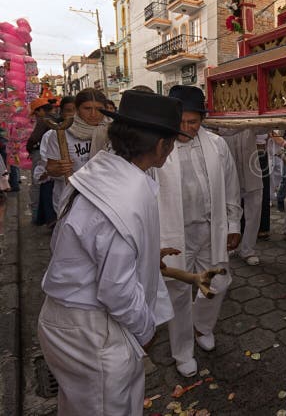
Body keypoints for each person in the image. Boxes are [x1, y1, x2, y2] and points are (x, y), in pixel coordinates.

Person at [37, 90, 185, 415]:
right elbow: (116, 289)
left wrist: (146, 256)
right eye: (171, 144)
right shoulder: (127, 193)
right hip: (92, 331)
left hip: (68, 321)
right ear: (162, 146)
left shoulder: (103, 168)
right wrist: (145, 330)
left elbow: (84, 241)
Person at [157, 85, 243, 378]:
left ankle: (201, 325)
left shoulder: (217, 145)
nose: (186, 128)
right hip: (174, 235)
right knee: (177, 292)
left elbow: (231, 187)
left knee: (219, 283)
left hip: (209, 229)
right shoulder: (159, 146)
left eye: (192, 122)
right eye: (180, 122)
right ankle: (182, 351)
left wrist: (233, 223)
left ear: (202, 120)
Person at [41, 88, 108, 210]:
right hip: (71, 198)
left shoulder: (112, 132)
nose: (94, 114)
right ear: (77, 109)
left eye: (99, 109)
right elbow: (50, 168)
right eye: (87, 108)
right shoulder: (60, 133)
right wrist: (59, 168)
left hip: (105, 197)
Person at [219, 128, 264, 265]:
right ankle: (228, 245)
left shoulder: (251, 115)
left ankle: (248, 250)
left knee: (254, 212)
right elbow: (222, 131)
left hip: (252, 172)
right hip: (229, 173)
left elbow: (265, 129)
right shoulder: (221, 119)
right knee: (227, 210)